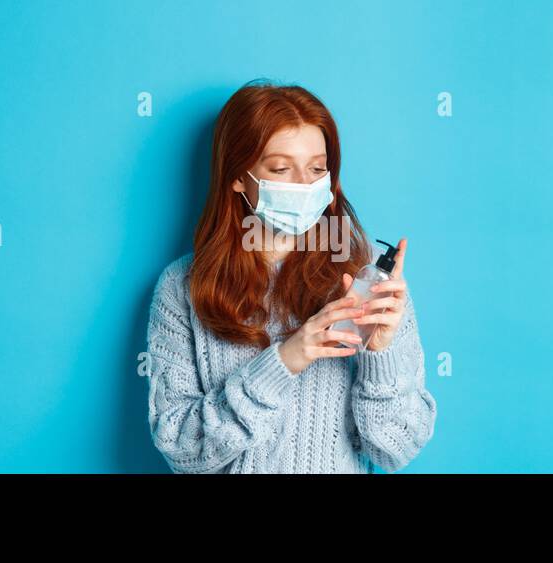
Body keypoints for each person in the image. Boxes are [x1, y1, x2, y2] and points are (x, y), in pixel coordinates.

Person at [144, 79, 437, 473]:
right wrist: (284, 360)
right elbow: (181, 449)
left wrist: (379, 355)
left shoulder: (365, 280)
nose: (305, 185)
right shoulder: (184, 287)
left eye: (317, 168)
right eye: (281, 168)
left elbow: (397, 450)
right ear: (237, 176)